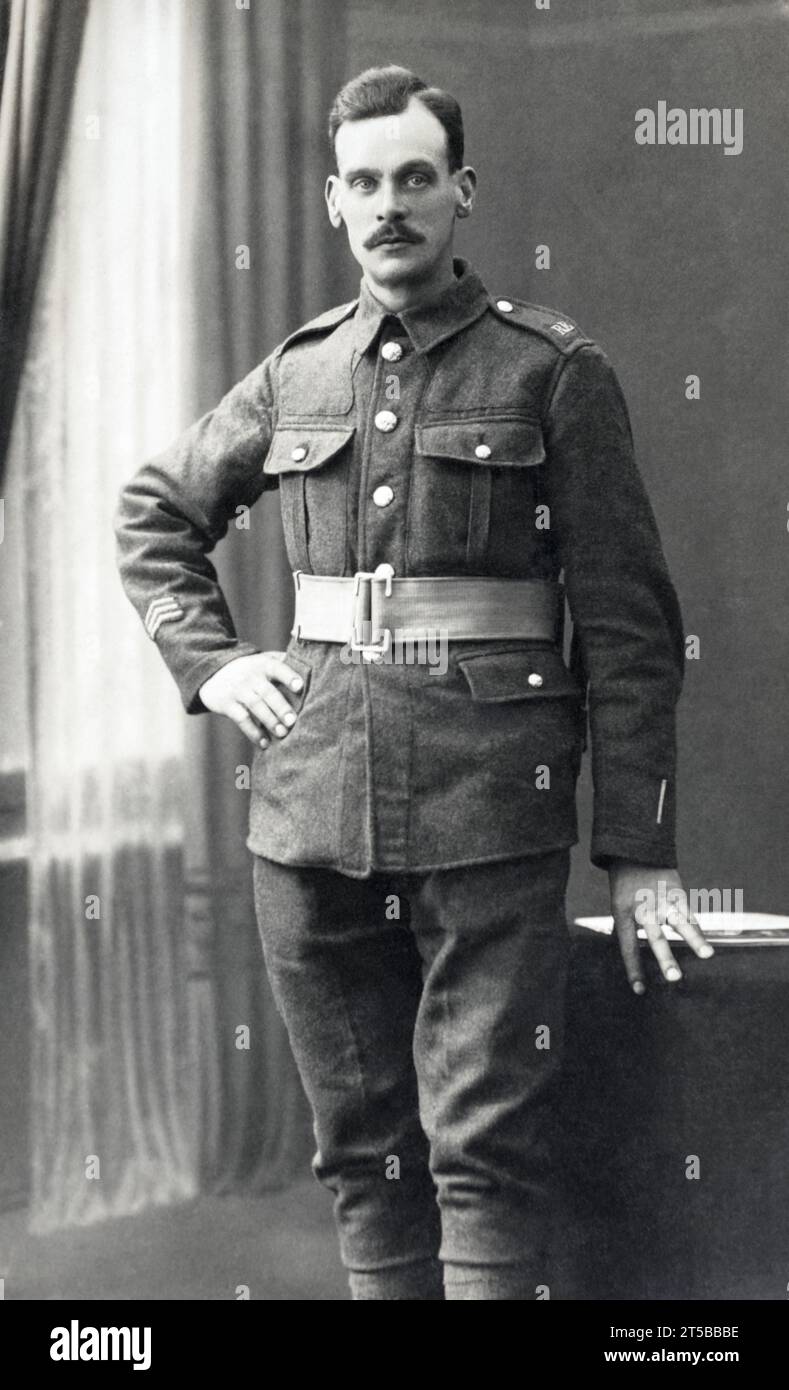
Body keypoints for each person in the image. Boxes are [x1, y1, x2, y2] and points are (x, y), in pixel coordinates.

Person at [115, 64, 714, 1300]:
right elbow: (155, 513)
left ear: (462, 192)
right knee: (363, 1152)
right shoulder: (297, 375)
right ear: (335, 203)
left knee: (485, 1151)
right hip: (309, 810)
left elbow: (629, 622)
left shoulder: (551, 372)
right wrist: (216, 666)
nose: (390, 206)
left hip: (490, 806)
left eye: (416, 180)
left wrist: (640, 848)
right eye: (366, 184)